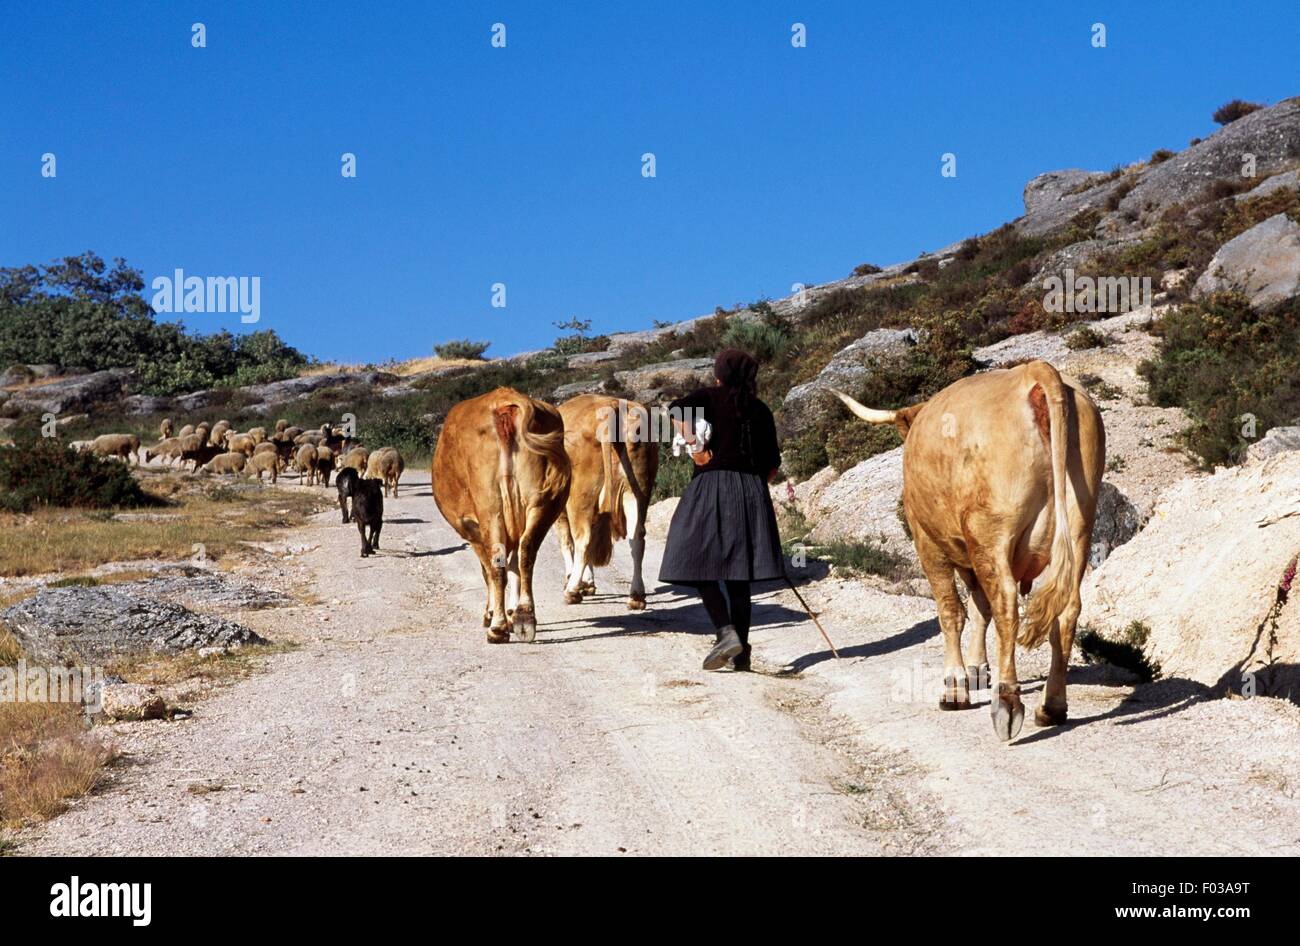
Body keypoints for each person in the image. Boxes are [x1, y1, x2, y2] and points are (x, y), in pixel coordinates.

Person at [659, 348, 784, 671]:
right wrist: (751, 482)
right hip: (752, 491)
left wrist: (694, 446)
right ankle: (742, 654)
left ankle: (725, 632)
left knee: (695, 559)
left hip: (711, 485)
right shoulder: (761, 410)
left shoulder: (710, 396)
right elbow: (772, 466)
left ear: (720, 374)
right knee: (739, 575)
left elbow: (675, 409)